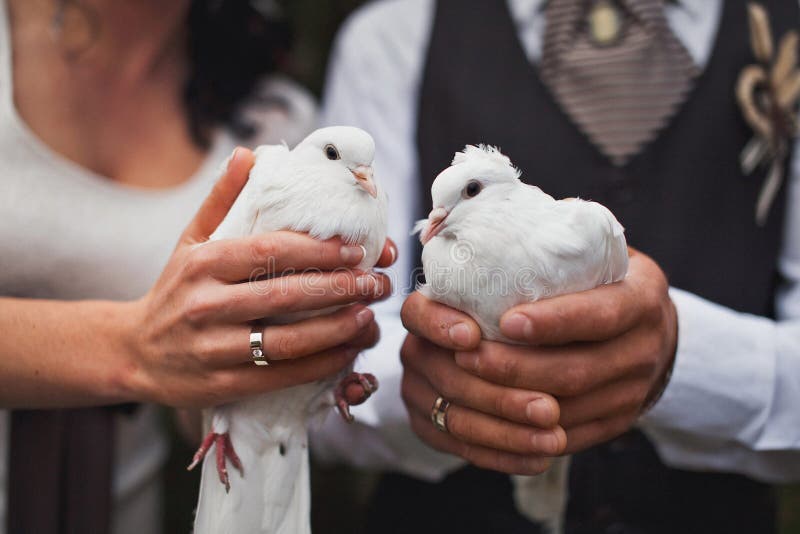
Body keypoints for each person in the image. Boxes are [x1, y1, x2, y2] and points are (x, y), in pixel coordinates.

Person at [313, 0, 800, 532]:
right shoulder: (390, 39)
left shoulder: (786, 25)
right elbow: (324, 383)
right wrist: (413, 391)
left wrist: (679, 357)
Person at [0, 1, 395, 533]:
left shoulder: (270, 116)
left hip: (122, 510)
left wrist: (258, 368)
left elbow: (192, 379)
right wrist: (134, 348)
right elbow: (157, 357)